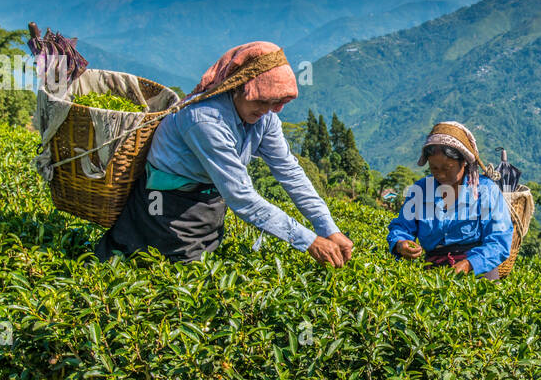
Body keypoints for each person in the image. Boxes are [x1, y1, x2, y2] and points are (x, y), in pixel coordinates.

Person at [94, 41, 353, 267]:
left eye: (274, 103)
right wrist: (308, 241)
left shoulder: (265, 117)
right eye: (260, 101)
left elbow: (289, 172)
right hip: (165, 206)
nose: (267, 110)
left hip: (206, 204)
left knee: (201, 268)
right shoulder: (204, 119)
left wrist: (328, 228)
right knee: (161, 273)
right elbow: (242, 198)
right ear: (238, 87)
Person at [387, 122, 514, 279]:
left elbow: (499, 242)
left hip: (480, 271)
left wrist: (469, 264)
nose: (440, 174)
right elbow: (401, 226)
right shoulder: (420, 190)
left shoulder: (486, 191)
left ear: (464, 162)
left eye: (447, 168)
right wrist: (400, 243)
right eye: (434, 168)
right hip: (434, 273)